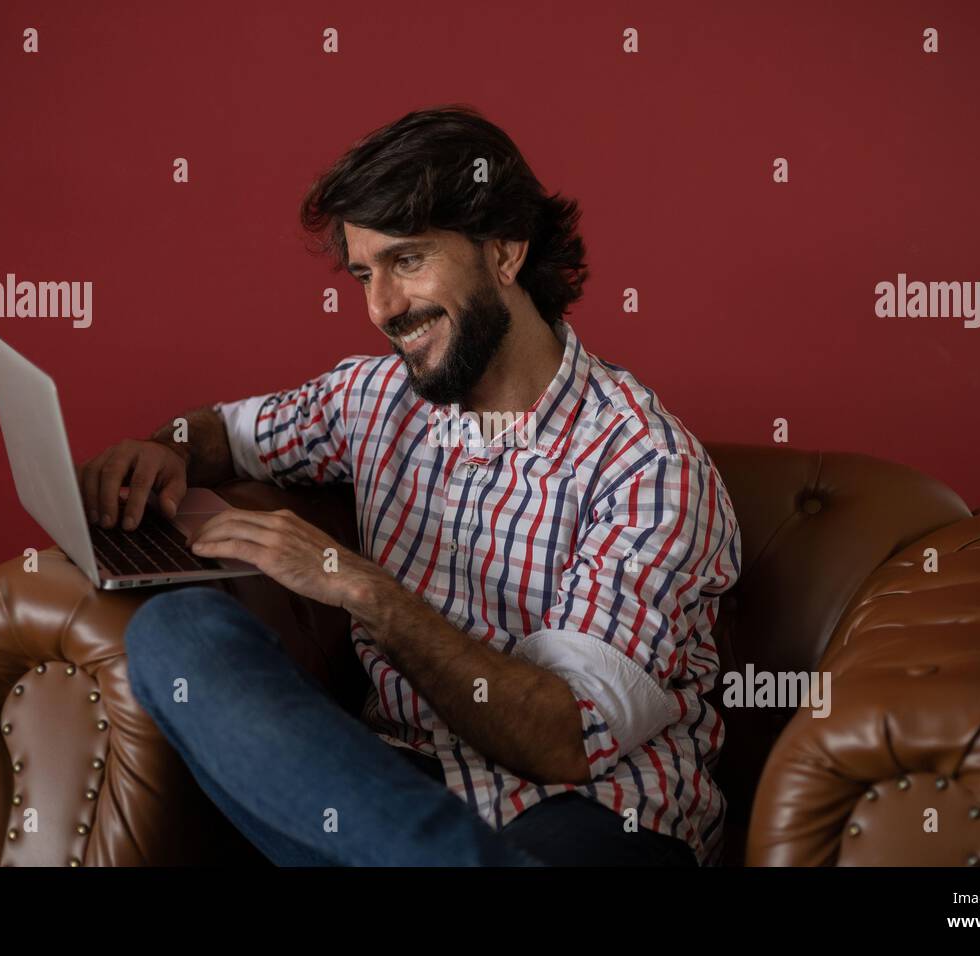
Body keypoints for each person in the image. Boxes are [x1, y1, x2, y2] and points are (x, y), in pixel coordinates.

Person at [78, 104, 742, 866]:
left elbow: (565, 739)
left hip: (589, 819)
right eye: (364, 273)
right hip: (385, 797)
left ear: (505, 252)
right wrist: (166, 449)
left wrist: (364, 590)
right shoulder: (370, 398)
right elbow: (227, 431)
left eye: (408, 261)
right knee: (175, 633)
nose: (381, 308)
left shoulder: (648, 466)